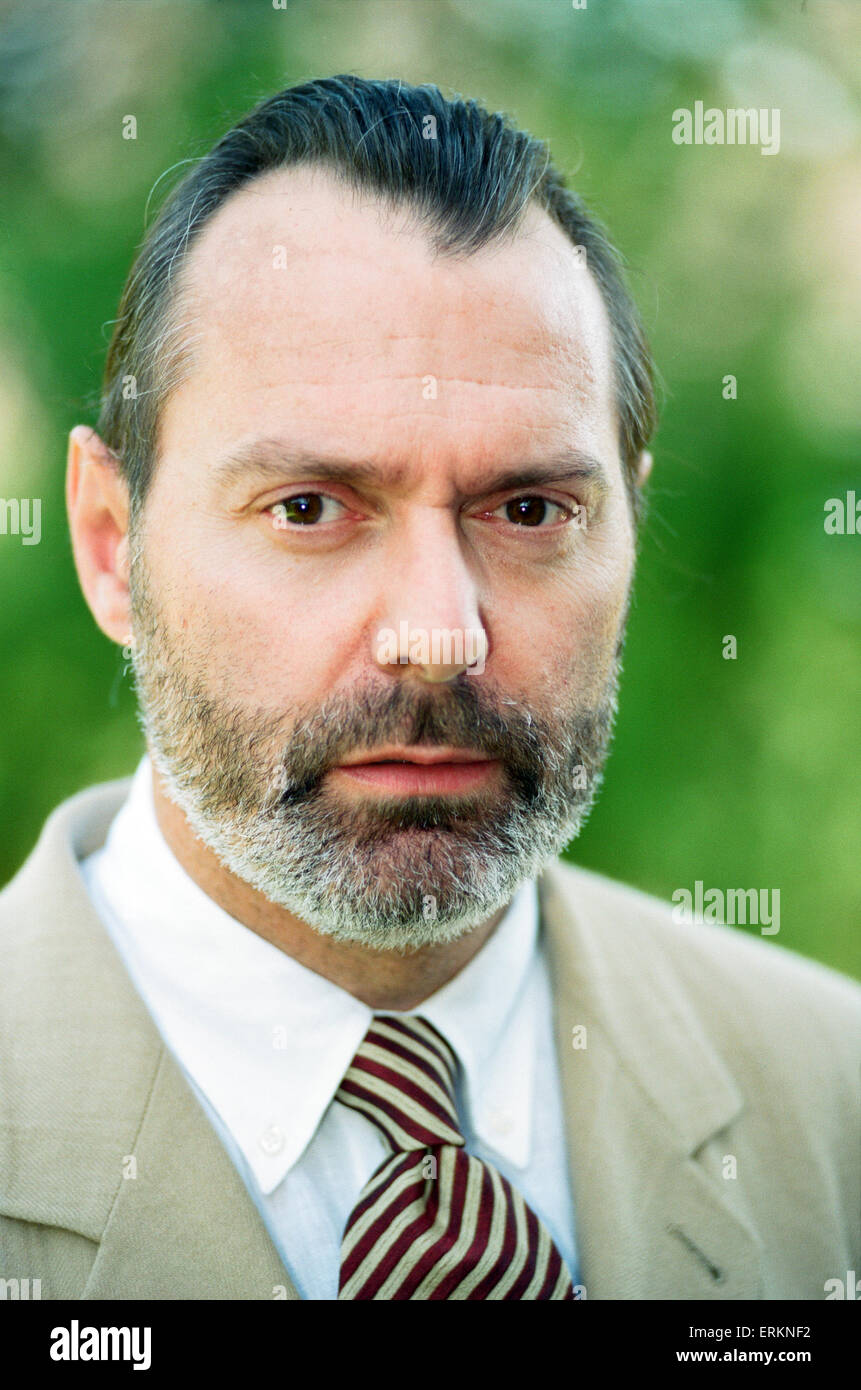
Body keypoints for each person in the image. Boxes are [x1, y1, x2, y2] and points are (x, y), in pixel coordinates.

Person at [0, 75, 857, 1302]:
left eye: (527, 510)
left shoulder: (835, 1105)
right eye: (309, 508)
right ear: (106, 545)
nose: (437, 633)